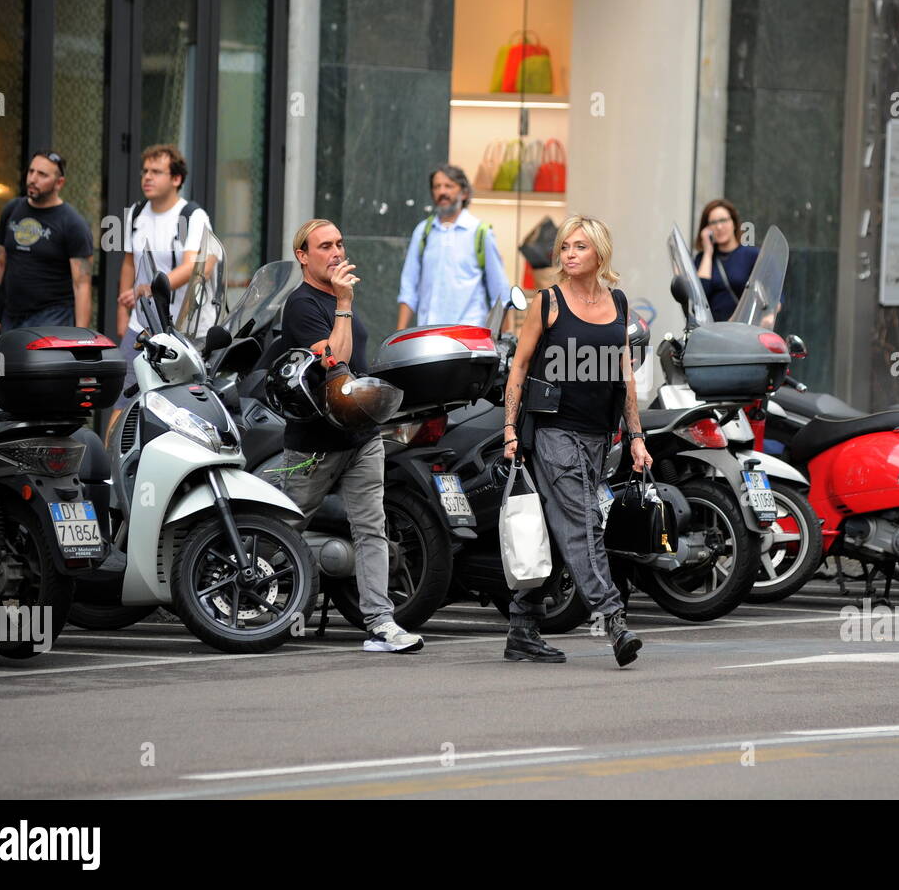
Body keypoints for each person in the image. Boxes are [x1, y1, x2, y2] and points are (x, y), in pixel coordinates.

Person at [502, 214, 652, 668]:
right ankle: (614, 619)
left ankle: (522, 630)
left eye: (580, 246)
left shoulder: (618, 303)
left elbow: (623, 373)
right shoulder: (546, 302)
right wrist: (510, 429)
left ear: (599, 253)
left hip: (598, 435)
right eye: (565, 246)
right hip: (553, 432)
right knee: (584, 521)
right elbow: (519, 368)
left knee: (557, 528)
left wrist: (636, 437)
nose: (569, 254)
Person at [276, 218, 423, 654]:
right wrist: (343, 301)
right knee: (284, 526)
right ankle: (247, 598)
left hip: (361, 435)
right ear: (303, 255)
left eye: (340, 243)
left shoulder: (343, 299)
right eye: (325, 246)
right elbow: (335, 364)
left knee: (371, 529)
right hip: (315, 442)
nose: (337, 251)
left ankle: (380, 623)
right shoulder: (301, 306)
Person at [113, 145, 217, 407]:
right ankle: (116, 449)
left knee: (181, 406)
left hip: (186, 329)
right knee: (124, 403)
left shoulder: (192, 216)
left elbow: (195, 267)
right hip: (142, 328)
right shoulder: (136, 213)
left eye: (156, 172)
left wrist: (152, 288)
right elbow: (129, 262)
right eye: (145, 171)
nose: (147, 177)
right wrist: (123, 314)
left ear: (176, 179)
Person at [0, 150, 94, 341]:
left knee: (42, 371)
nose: (33, 178)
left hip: (52, 320)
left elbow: (81, 284)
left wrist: (81, 341)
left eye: (42, 174)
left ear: (59, 183)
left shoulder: (73, 224)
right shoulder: (12, 210)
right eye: (31, 171)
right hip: (11, 317)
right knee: (6, 371)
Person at [396, 164, 513, 330]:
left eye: (449, 186)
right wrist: (399, 336)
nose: (442, 192)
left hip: (469, 335)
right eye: (437, 187)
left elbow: (500, 292)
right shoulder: (423, 231)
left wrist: (502, 341)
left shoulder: (479, 232)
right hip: (428, 334)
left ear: (464, 193)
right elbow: (408, 287)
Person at [694, 198, 760, 322]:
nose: (719, 227)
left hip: (743, 330)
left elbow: (769, 294)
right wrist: (708, 253)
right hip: (711, 331)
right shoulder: (702, 259)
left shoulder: (752, 255)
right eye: (713, 223)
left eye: (723, 220)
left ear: (734, 223)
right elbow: (699, 298)